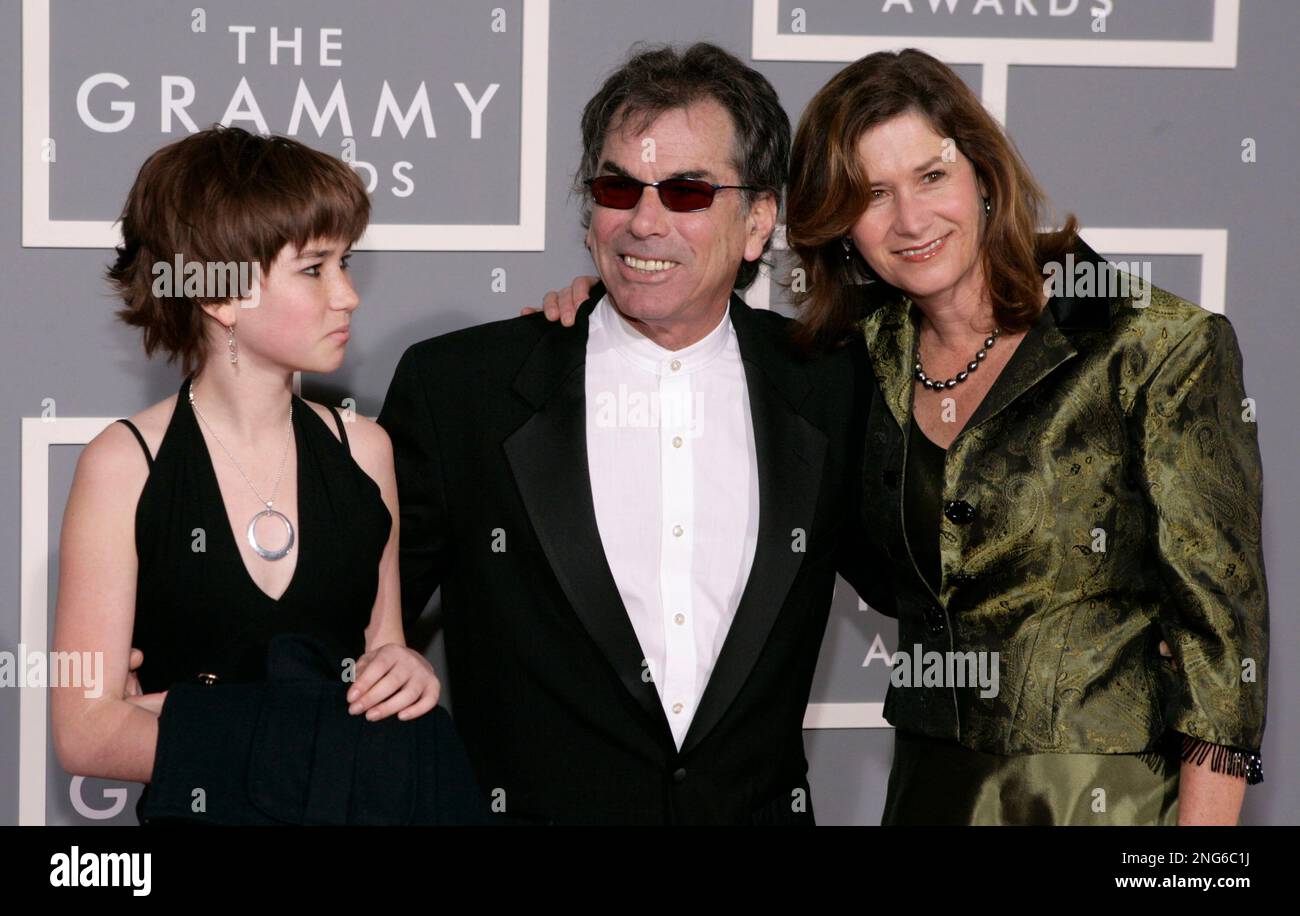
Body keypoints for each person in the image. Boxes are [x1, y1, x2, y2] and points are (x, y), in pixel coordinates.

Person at [536, 48, 1268, 825]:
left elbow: (1223, 645)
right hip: (929, 793)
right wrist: (601, 312)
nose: (911, 221)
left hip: (1109, 801)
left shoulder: (1151, 345)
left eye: (931, 176)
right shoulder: (854, 363)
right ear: (840, 223)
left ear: (984, 176)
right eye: (872, 194)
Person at [376, 42, 888, 825]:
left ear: (758, 223)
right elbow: (351, 628)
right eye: (619, 187)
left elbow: (929, 575)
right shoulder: (463, 392)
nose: (644, 222)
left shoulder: (832, 389)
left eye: (686, 192)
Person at [50, 125, 482, 824]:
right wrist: (314, 733)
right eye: (315, 269)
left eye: (345, 263)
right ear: (220, 295)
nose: (348, 295)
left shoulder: (366, 450)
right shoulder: (124, 466)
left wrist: (406, 673)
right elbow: (86, 733)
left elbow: (384, 655)